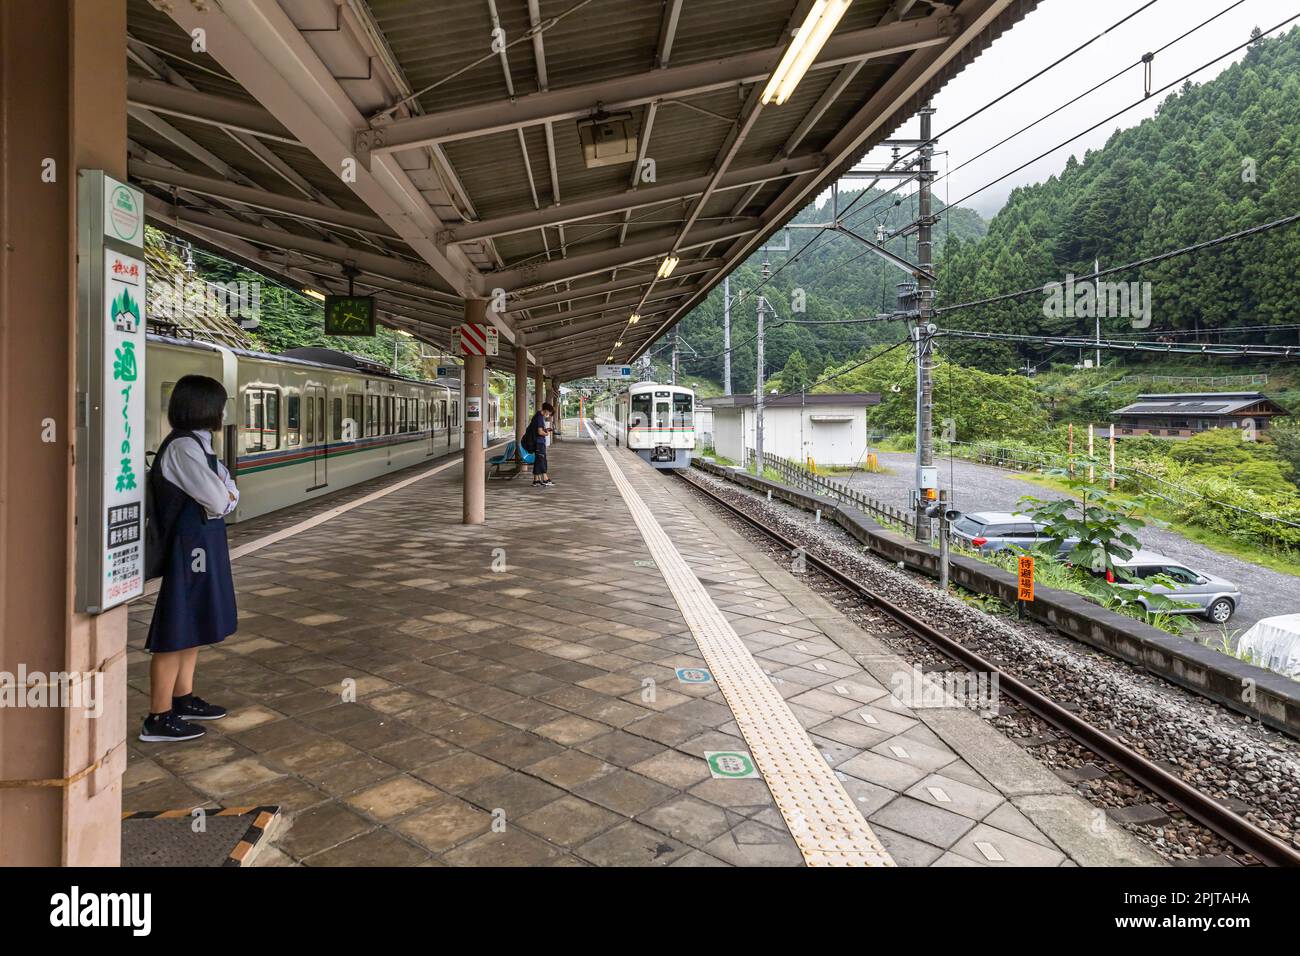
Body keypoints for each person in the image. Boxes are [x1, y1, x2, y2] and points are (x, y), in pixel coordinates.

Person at [140, 374, 238, 742]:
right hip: (190, 546)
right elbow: (219, 499)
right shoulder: (183, 448)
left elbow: (229, 491)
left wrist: (226, 497)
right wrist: (225, 498)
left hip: (202, 541)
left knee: (194, 620)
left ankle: (183, 696)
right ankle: (158, 715)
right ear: (205, 407)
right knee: (178, 623)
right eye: (221, 403)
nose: (225, 410)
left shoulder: (200, 443)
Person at [530, 402, 554, 488]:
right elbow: (540, 432)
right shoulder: (540, 417)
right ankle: (545, 479)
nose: (549, 415)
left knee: (538, 460)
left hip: (537, 442)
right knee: (542, 461)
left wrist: (545, 429)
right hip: (539, 443)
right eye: (549, 413)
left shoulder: (537, 416)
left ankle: (536, 480)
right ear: (547, 410)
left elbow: (539, 429)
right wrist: (546, 433)